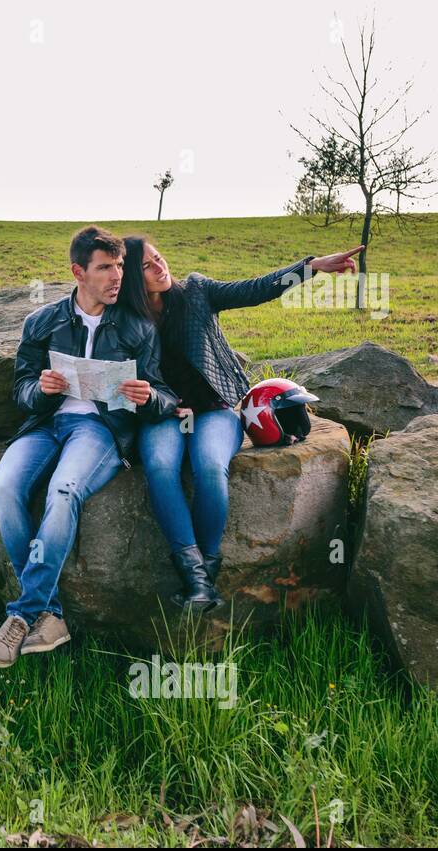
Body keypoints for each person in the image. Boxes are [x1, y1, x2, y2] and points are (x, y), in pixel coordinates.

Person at [115, 236, 364, 608]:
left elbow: (255, 289)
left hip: (214, 410)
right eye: (147, 266)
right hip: (162, 414)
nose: (159, 267)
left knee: (211, 466)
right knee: (162, 467)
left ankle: (205, 574)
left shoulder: (196, 291)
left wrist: (310, 267)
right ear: (131, 278)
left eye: (159, 258)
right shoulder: (123, 320)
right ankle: (197, 579)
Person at [0, 226, 177, 668]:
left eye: (120, 267)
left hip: (99, 431)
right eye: (105, 268)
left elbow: (165, 396)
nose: (116, 277)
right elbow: (21, 390)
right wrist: (41, 389)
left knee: (64, 491)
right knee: (5, 489)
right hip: (45, 424)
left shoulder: (137, 327)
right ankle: (50, 615)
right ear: (78, 272)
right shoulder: (42, 322)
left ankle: (23, 615)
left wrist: (148, 397)